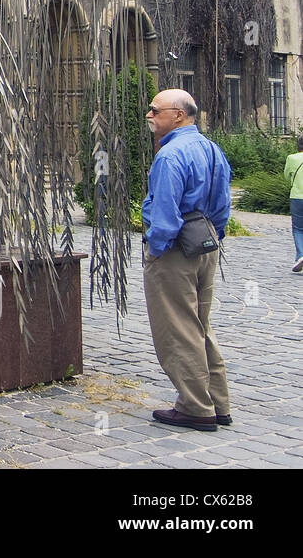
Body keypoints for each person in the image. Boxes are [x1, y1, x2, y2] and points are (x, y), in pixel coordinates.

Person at [140, 88, 232, 431]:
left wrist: (156, 248)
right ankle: (217, 402)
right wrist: (214, 237)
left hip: (175, 252)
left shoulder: (169, 155)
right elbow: (222, 202)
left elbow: (164, 212)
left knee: (178, 329)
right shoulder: (210, 149)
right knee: (200, 326)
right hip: (205, 245)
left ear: (178, 115)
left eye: (155, 110)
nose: (150, 115)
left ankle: (195, 407)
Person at [284, 135, 303, 273]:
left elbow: (287, 176)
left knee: (297, 228)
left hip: (297, 196)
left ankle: (300, 255)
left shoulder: (292, 158)